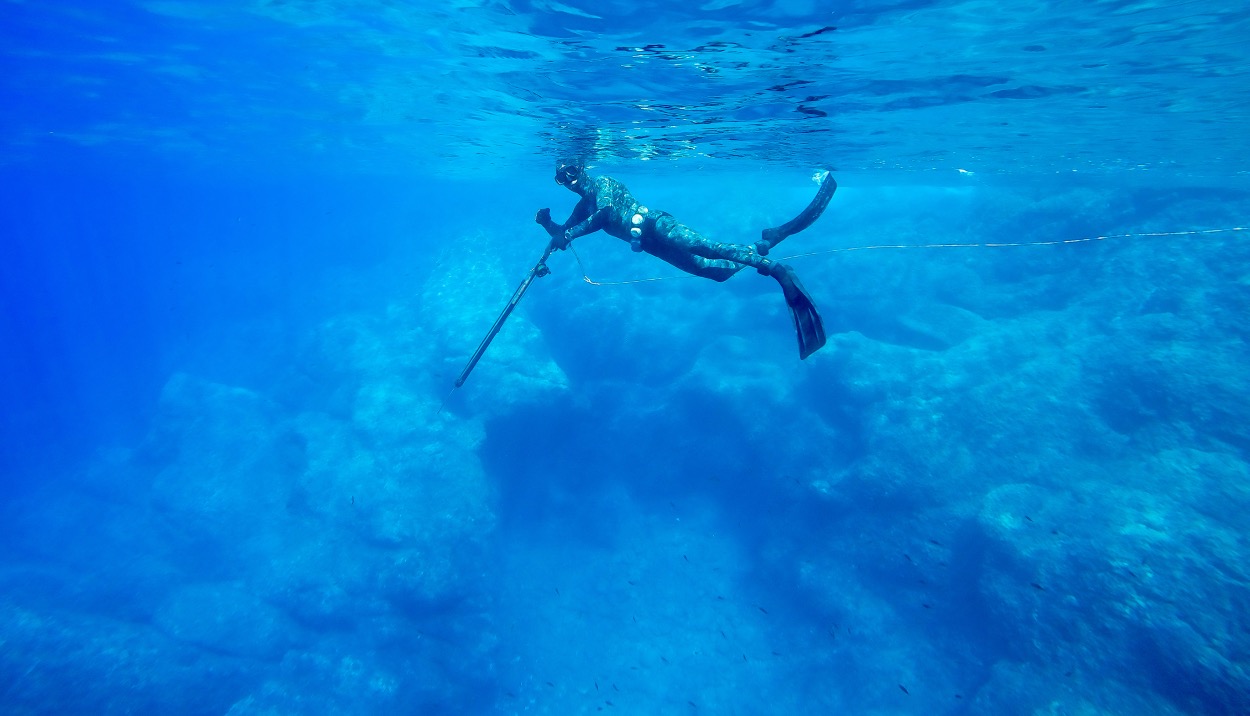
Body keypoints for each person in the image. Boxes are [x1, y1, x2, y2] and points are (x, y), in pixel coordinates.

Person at [535, 161, 836, 359]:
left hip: (655, 224)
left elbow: (603, 216)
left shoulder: (602, 183)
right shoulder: (582, 205)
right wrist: (549, 225)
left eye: (571, 172)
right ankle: (765, 242)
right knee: (716, 272)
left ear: (583, 167)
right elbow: (563, 234)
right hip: (646, 242)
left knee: (708, 248)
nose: (568, 181)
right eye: (561, 179)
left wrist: (569, 234)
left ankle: (776, 270)